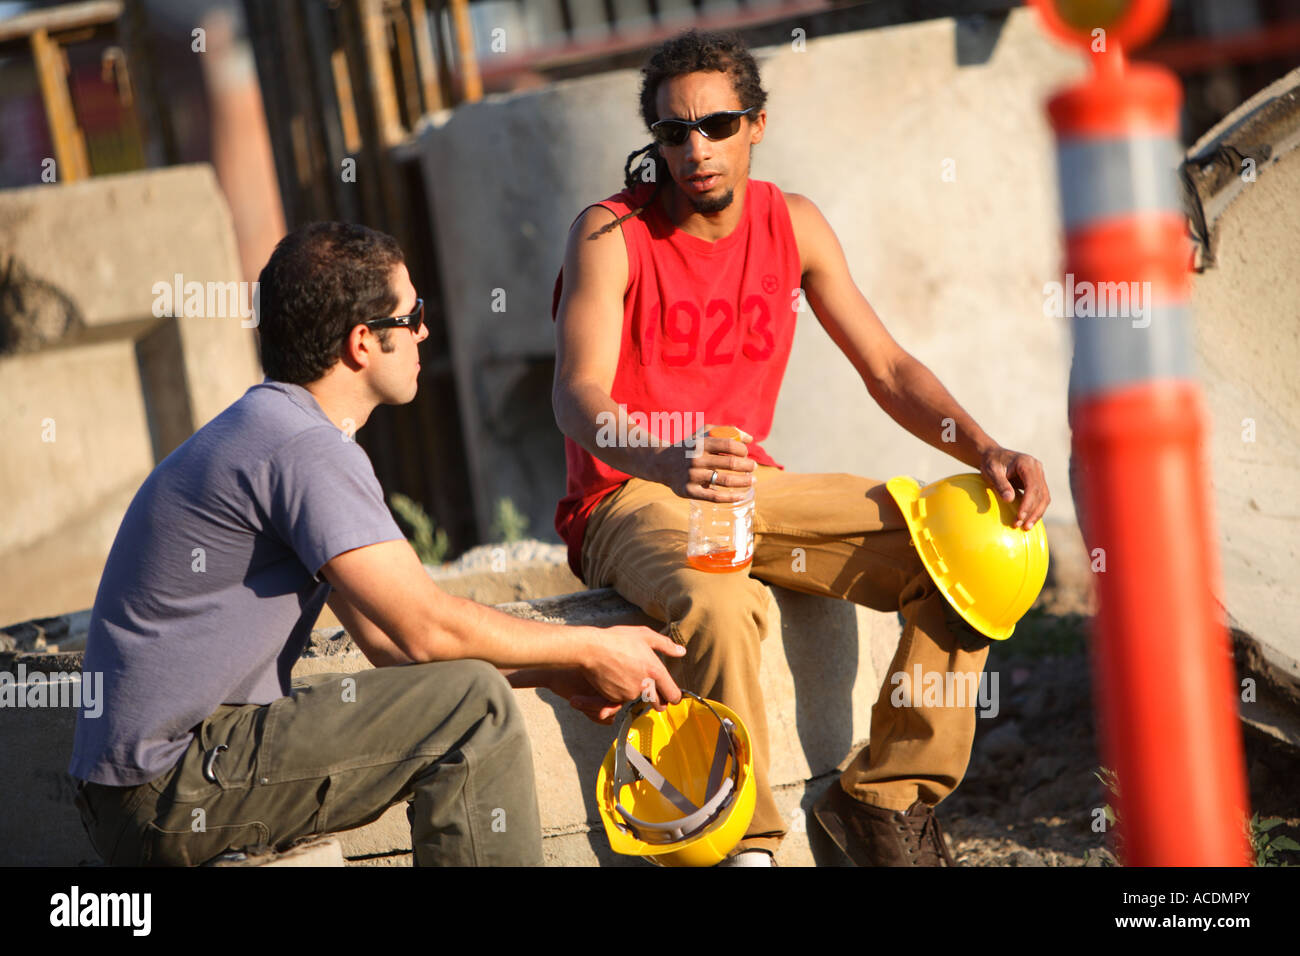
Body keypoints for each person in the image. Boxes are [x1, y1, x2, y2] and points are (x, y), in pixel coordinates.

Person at [550, 29, 1051, 866]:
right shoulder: (610, 233)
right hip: (626, 496)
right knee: (719, 602)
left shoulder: (795, 224)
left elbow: (888, 368)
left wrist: (985, 450)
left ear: (758, 124)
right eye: (674, 133)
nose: (695, 149)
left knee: (967, 552)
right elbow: (577, 396)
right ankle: (744, 844)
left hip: (749, 489)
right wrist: (668, 457)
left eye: (716, 125)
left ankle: (885, 803)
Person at [69, 221, 683, 867]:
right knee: (475, 711)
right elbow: (425, 629)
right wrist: (589, 644)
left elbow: (393, 647)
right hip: (171, 784)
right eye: (412, 314)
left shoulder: (276, 426)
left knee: (468, 694)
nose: (423, 331)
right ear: (363, 342)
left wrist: (562, 669)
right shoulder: (305, 449)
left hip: (145, 788)